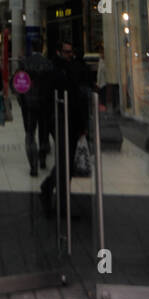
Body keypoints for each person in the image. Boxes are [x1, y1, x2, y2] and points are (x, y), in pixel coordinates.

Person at [40, 42, 92, 216]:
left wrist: (83, 124)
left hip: (73, 122)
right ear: (59, 52)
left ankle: (51, 190)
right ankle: (60, 201)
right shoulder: (56, 70)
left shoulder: (73, 68)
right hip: (61, 120)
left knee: (67, 162)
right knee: (64, 162)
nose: (69, 55)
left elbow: (80, 96)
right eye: (66, 52)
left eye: (71, 52)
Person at [17, 39, 54, 175]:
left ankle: (33, 165)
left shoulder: (25, 63)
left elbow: (18, 83)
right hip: (44, 104)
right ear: (42, 47)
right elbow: (52, 85)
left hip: (29, 104)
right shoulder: (48, 64)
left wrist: (22, 100)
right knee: (44, 133)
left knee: (30, 134)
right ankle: (42, 158)